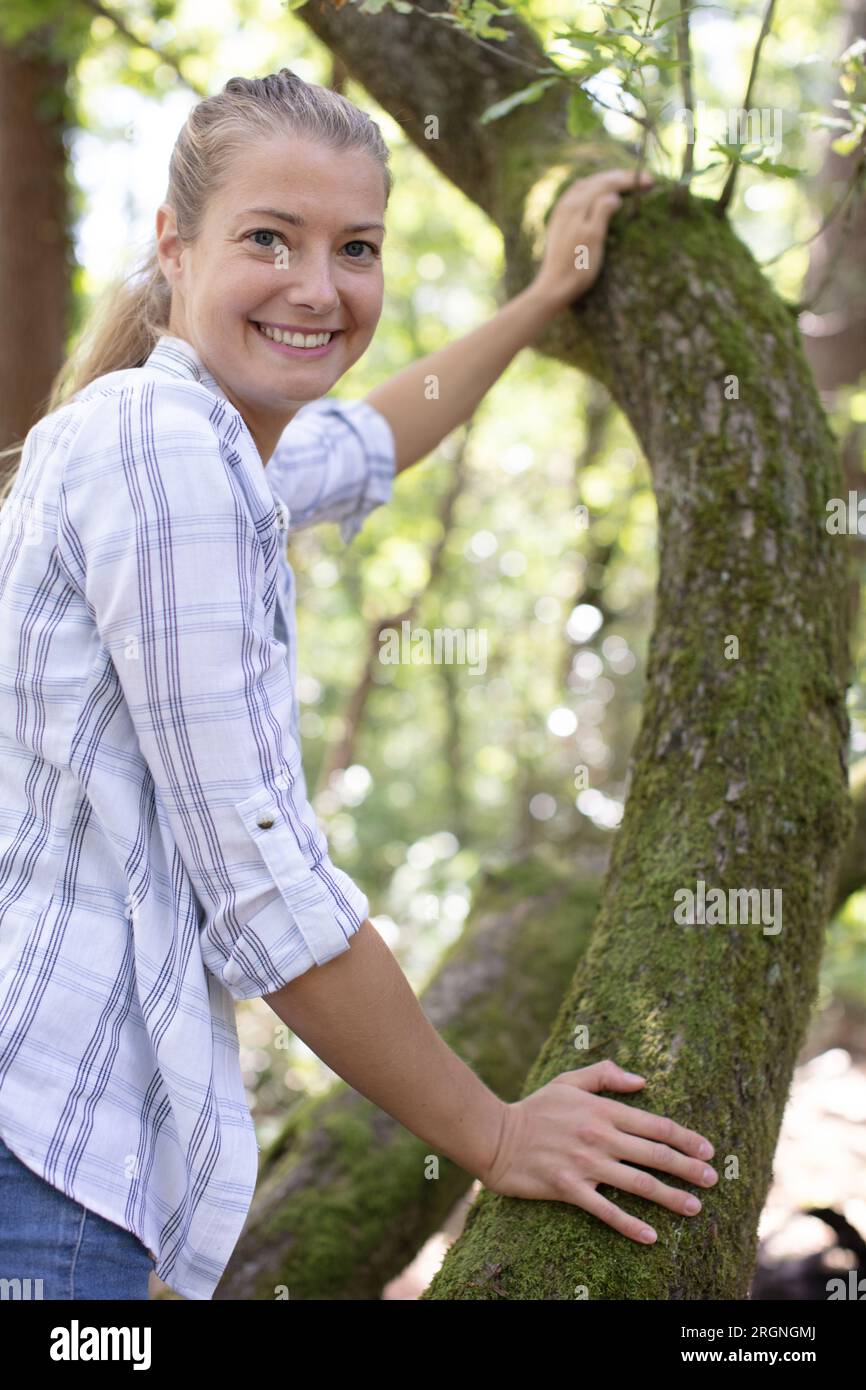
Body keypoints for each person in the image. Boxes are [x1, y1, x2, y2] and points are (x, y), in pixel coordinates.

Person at [0, 67, 716, 1302]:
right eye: (267, 239)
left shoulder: (188, 440)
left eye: (358, 249)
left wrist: (542, 299)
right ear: (174, 246)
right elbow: (260, 876)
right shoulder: (164, 452)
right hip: (43, 1157)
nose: (319, 288)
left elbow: (367, 439)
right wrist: (493, 1133)